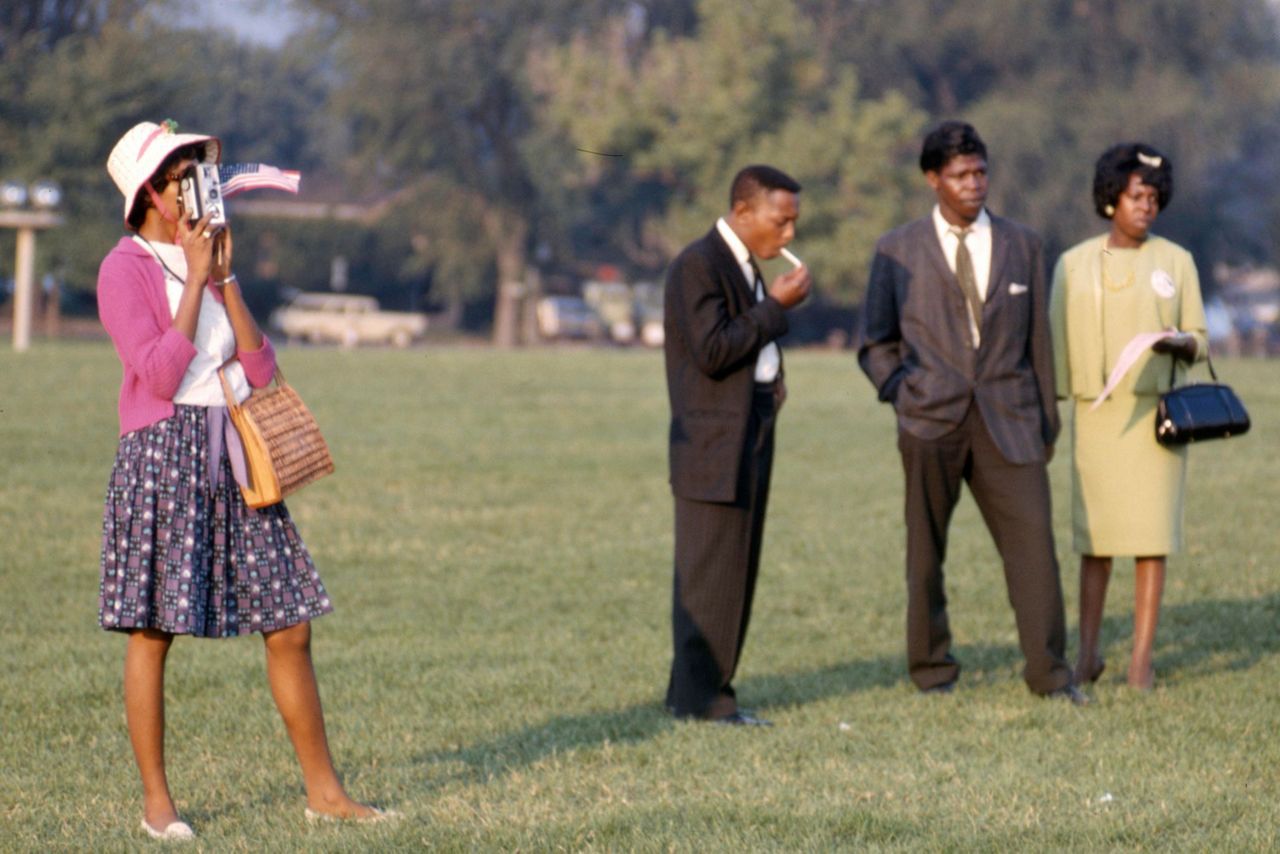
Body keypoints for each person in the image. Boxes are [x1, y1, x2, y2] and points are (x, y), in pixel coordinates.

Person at [96, 120, 390, 840]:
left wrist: (223, 280)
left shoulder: (211, 259)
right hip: (163, 452)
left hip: (234, 447)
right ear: (151, 195)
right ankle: (156, 803)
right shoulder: (124, 268)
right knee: (154, 630)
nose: (195, 184)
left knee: (290, 623)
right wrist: (194, 277)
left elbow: (261, 370)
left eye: (199, 169)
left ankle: (325, 793)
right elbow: (162, 375)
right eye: (180, 175)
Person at [857, 121, 1084, 703]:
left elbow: (1039, 343)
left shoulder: (1024, 245)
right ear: (933, 179)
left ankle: (1050, 677)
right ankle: (931, 670)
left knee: (1034, 548)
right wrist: (904, 394)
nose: (974, 184)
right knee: (925, 552)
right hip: (928, 420)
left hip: (1011, 424)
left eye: (981, 171)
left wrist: (1045, 424)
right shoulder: (896, 250)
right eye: (960, 175)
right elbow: (874, 343)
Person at [1049, 143, 1207, 691]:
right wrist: (1053, 410)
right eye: (1137, 196)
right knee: (1095, 540)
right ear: (1110, 198)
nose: (1147, 207)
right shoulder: (1072, 264)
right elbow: (1055, 344)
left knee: (1150, 537)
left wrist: (1182, 344)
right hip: (1098, 418)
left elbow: (1201, 340)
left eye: (1155, 198)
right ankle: (1088, 654)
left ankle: (1141, 660)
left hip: (1156, 420)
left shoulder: (1177, 261)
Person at [663, 164, 812, 726]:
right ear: (744, 211)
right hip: (710, 443)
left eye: (794, 222)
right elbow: (713, 350)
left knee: (736, 566)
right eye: (782, 220)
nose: (789, 235)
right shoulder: (698, 265)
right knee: (709, 575)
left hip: (747, 431)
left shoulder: (743, 265)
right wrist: (776, 308)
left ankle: (696, 692)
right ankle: (706, 701)